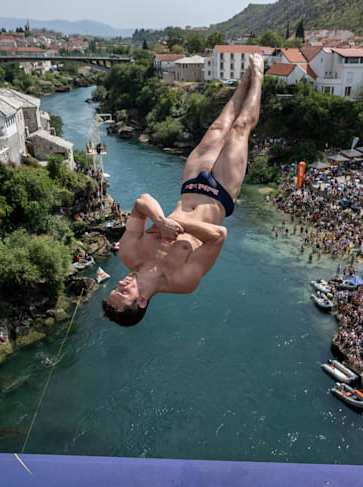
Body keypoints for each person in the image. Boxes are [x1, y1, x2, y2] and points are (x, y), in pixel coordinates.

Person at [103, 55, 264, 326]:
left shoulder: (129, 254)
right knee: (239, 129)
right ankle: (259, 76)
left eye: (115, 287)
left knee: (219, 126)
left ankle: (243, 81)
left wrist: (162, 221)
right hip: (221, 194)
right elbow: (219, 236)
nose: (121, 282)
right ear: (141, 301)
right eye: (122, 291)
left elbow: (142, 201)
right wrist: (177, 224)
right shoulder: (182, 281)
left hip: (190, 184)